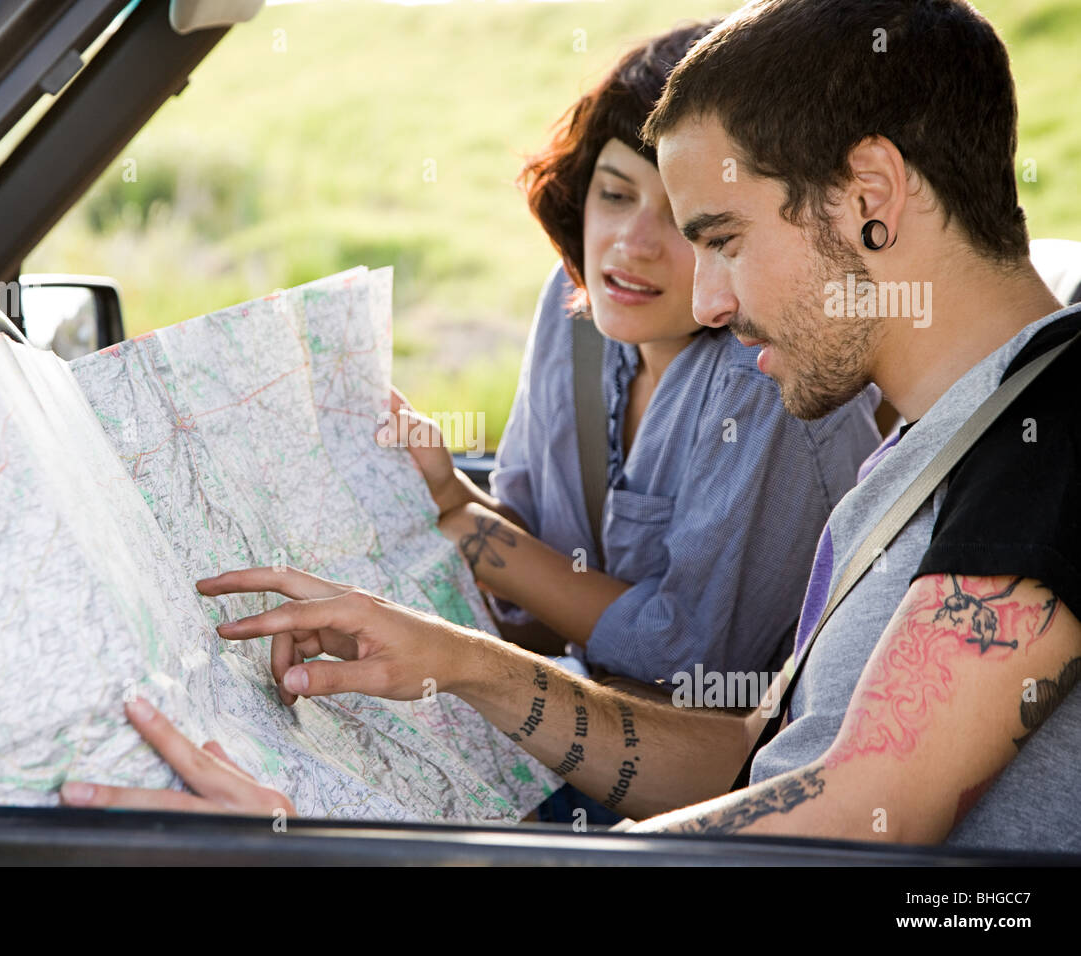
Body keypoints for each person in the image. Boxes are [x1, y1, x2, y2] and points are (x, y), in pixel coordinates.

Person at [63, 0, 1081, 850]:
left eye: (721, 239)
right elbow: (757, 763)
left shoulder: (1052, 429)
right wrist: (460, 660)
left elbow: (864, 809)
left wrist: (362, 847)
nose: (713, 301)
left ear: (870, 197)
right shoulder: (935, 442)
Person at [381, 22, 881, 689]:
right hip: (580, 720)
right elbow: (540, 584)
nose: (632, 244)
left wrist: (461, 522)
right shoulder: (575, 308)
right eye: (615, 195)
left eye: (682, 218)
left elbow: (692, 663)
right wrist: (447, 490)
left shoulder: (767, 377)